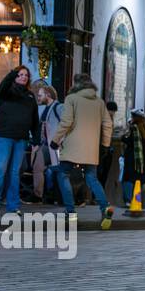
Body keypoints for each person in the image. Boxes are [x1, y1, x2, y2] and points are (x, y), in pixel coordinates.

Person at [50, 74, 114, 227]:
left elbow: (66, 122)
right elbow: (108, 125)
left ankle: (70, 212)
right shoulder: (99, 102)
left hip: (72, 146)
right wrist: (105, 145)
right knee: (92, 178)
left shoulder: (71, 99)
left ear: (76, 85)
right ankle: (105, 208)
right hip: (91, 149)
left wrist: (55, 140)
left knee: (63, 174)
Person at [0, 66, 39, 215]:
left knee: (14, 173)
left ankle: (13, 207)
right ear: (14, 76)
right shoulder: (6, 92)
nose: (23, 77)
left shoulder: (30, 96)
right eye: (20, 75)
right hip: (3, 137)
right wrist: (12, 73)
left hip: (21, 139)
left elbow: (35, 120)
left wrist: (36, 140)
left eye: (26, 75)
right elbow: (2, 86)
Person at [32, 83, 64, 204]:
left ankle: (58, 196)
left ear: (48, 95)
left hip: (56, 145)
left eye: (40, 95)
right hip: (46, 145)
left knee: (57, 170)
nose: (38, 98)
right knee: (37, 166)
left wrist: (60, 141)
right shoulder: (45, 110)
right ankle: (38, 195)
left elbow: (67, 124)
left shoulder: (59, 107)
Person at [120, 109, 145, 209]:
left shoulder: (134, 128)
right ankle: (136, 201)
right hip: (142, 161)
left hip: (132, 159)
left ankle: (128, 201)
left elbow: (129, 141)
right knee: (137, 181)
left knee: (127, 179)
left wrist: (123, 137)